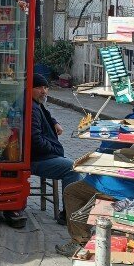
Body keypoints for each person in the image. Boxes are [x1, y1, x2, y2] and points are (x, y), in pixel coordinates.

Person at [28, 73, 84, 223]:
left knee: (76, 168)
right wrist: (54, 150)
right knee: (72, 169)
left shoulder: (36, 104)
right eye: (39, 87)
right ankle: (68, 215)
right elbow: (36, 140)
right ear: (30, 88)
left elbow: (45, 114)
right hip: (37, 159)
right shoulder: (32, 108)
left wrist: (54, 122)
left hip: (43, 156)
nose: (44, 91)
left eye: (46, 87)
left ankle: (73, 211)